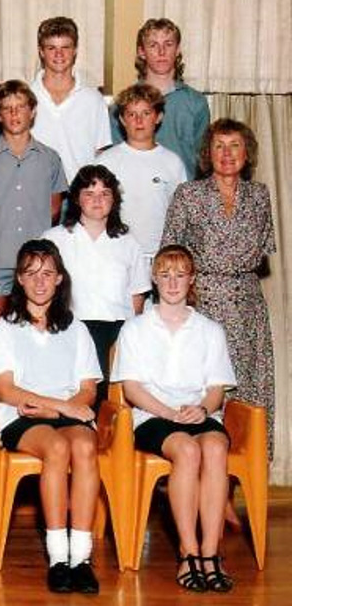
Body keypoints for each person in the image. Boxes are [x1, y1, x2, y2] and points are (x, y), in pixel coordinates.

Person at [112, 244, 237, 592]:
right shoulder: (135, 329)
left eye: (180, 275)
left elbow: (216, 388)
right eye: (165, 275)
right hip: (152, 413)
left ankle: (212, 553)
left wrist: (204, 409)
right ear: (154, 278)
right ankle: (189, 553)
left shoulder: (210, 330)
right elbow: (132, 388)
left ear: (191, 279)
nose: (172, 283)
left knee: (214, 447)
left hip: (197, 411)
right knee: (187, 450)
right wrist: (168, 413)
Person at [0, 239, 102, 594]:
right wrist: (59, 407)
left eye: (48, 273)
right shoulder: (5, 328)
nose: (40, 281)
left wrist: (59, 409)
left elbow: (88, 390)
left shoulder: (76, 329)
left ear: (60, 279)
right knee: (56, 447)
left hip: (64, 412)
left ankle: (81, 558)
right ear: (18, 279)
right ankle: (58, 557)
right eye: (31, 273)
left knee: (83, 446)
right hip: (21, 416)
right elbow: (6, 390)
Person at [161, 118, 276, 456]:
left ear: (247, 152)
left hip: (248, 310)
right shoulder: (189, 194)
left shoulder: (259, 195)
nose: (227, 154)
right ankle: (201, 473)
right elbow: (172, 251)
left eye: (235, 145)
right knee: (207, 389)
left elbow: (262, 250)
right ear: (207, 154)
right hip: (203, 306)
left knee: (248, 394)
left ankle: (238, 478)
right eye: (218, 147)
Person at [42, 165, 149, 406]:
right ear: (77, 199)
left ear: (115, 199)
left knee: (110, 406)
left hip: (115, 334)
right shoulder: (54, 239)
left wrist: (127, 340)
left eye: (105, 193)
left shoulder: (128, 243)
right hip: (68, 329)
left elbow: (137, 298)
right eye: (89, 193)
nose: (97, 200)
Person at [0, 80, 67, 323]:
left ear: (32, 111)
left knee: (36, 323)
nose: (14, 114)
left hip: (37, 263)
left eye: (20, 107)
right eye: (7, 108)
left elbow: (55, 210)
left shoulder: (50, 158)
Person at [97, 83, 188, 259]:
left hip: (159, 257)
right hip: (116, 254)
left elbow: (180, 216)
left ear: (158, 117)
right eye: (132, 114)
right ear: (123, 120)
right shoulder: (106, 162)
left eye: (146, 113)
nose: (139, 121)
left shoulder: (173, 162)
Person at [111, 18, 210, 178]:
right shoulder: (122, 105)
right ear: (141, 52)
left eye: (168, 44)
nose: (161, 52)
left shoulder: (196, 102)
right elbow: (115, 156)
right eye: (153, 45)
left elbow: (205, 160)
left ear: (177, 50)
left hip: (183, 194)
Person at [29, 16, 112, 186]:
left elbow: (101, 153)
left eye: (65, 47)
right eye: (51, 48)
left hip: (81, 196)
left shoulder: (93, 100)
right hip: (36, 192)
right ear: (41, 51)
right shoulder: (26, 97)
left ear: (75, 50)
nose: (59, 54)